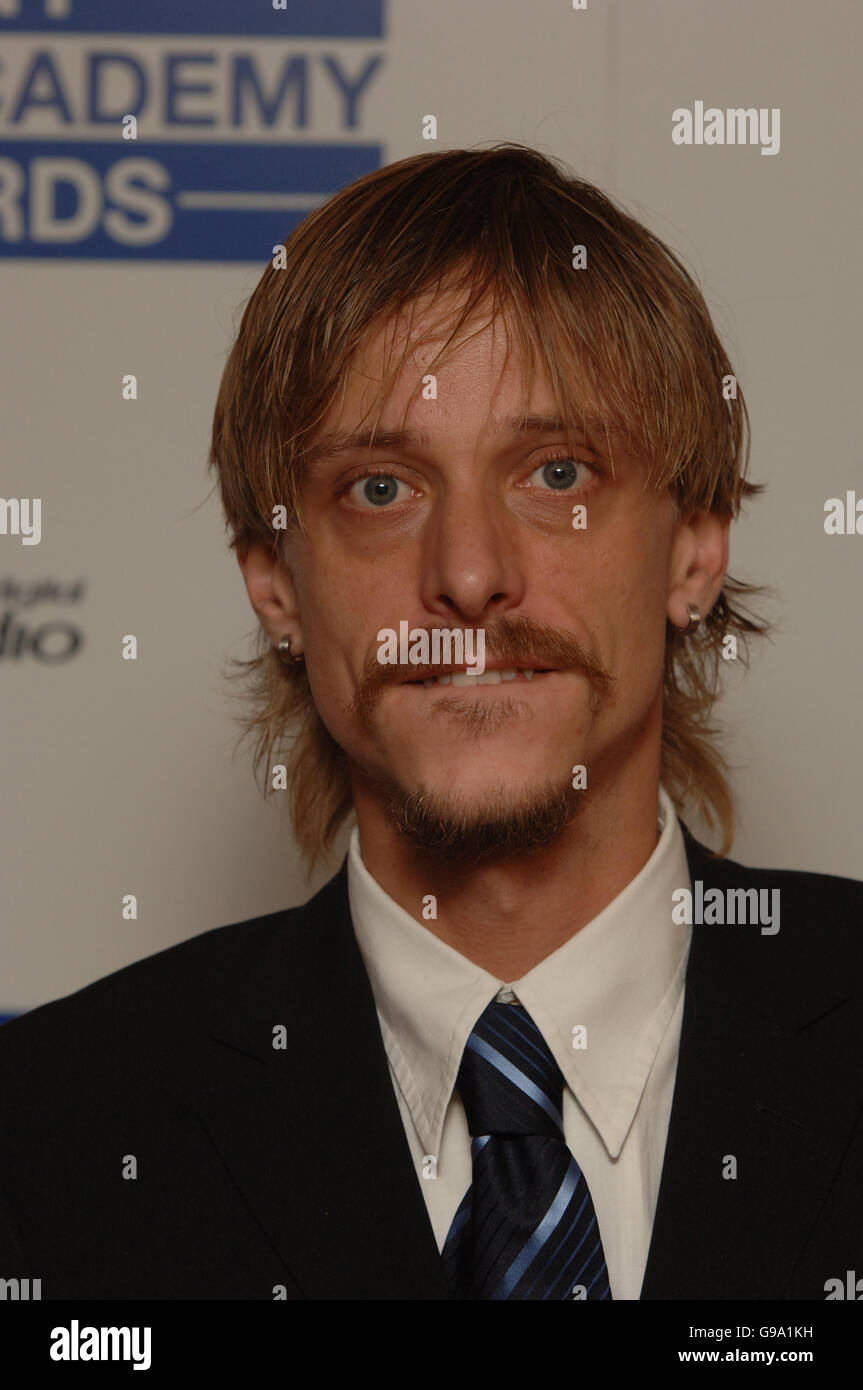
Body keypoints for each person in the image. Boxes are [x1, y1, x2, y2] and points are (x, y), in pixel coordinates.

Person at [1, 146, 861, 1301]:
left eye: (556, 472)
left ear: (693, 549)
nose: (466, 575)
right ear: (275, 583)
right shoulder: (46, 1133)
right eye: (378, 488)